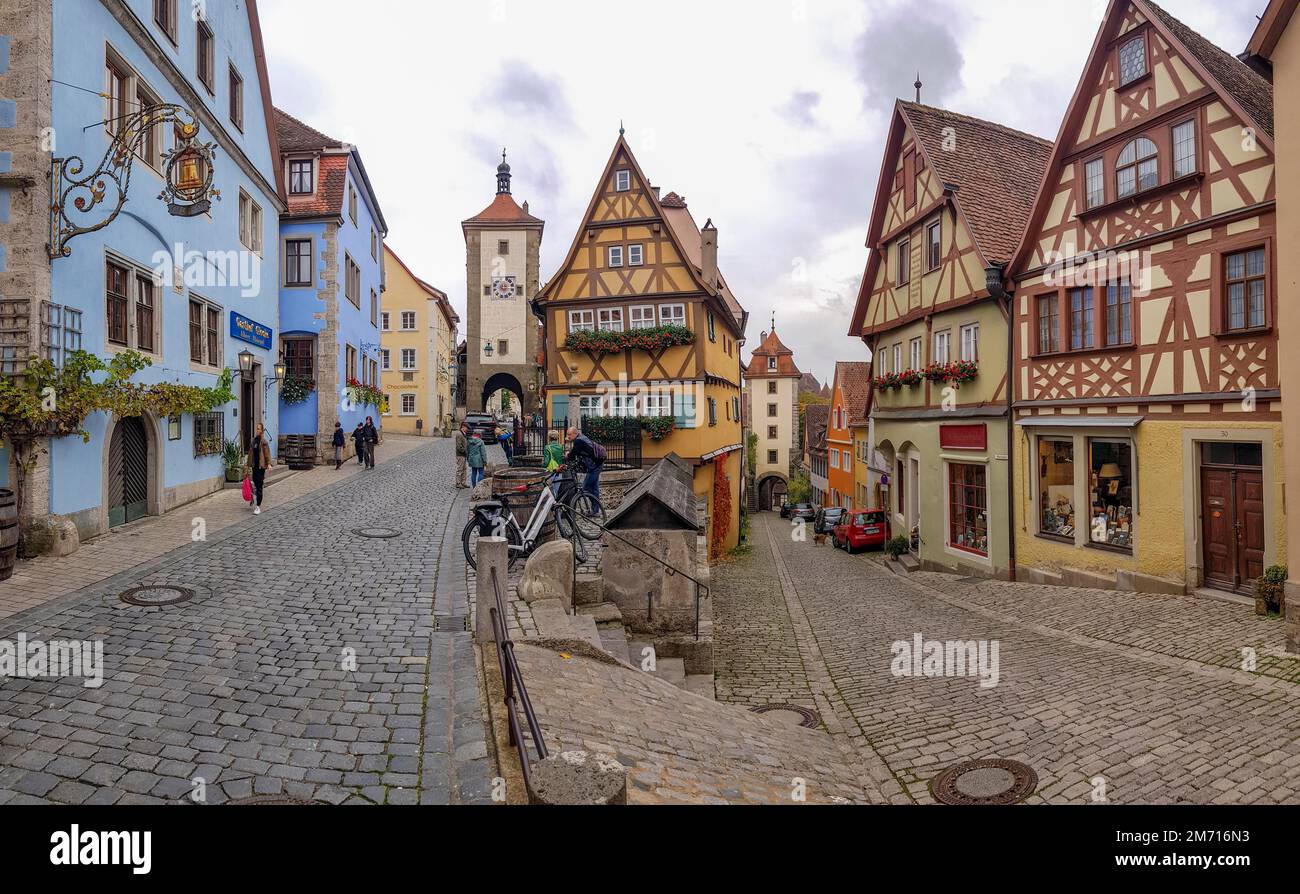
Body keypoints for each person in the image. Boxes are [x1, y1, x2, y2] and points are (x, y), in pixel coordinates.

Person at [565, 425, 604, 507]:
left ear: (575, 433)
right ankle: (595, 510)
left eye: (569, 434)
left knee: (586, 487)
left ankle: (595, 509)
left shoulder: (578, 441)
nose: (568, 436)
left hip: (595, 466)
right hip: (596, 464)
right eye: (567, 434)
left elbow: (573, 455)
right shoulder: (582, 438)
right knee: (594, 488)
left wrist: (567, 455)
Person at [243, 422, 273, 515]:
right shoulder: (254, 441)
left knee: (259, 486)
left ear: (262, 430)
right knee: (255, 483)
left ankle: (258, 506)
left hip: (261, 467)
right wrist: (247, 465)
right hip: (254, 467)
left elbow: (267, 454)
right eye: (257, 428)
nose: (257, 430)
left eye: (259, 429)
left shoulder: (264, 442)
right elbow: (250, 454)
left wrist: (269, 464)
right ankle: (253, 496)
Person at [455, 422, 469, 489]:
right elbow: (459, 446)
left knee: (464, 469)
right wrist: (464, 451)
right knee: (460, 469)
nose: (467, 429)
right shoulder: (459, 434)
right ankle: (458, 483)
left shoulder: (463, 434)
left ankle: (463, 482)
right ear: (463, 427)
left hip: (464, 455)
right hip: (460, 455)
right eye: (467, 428)